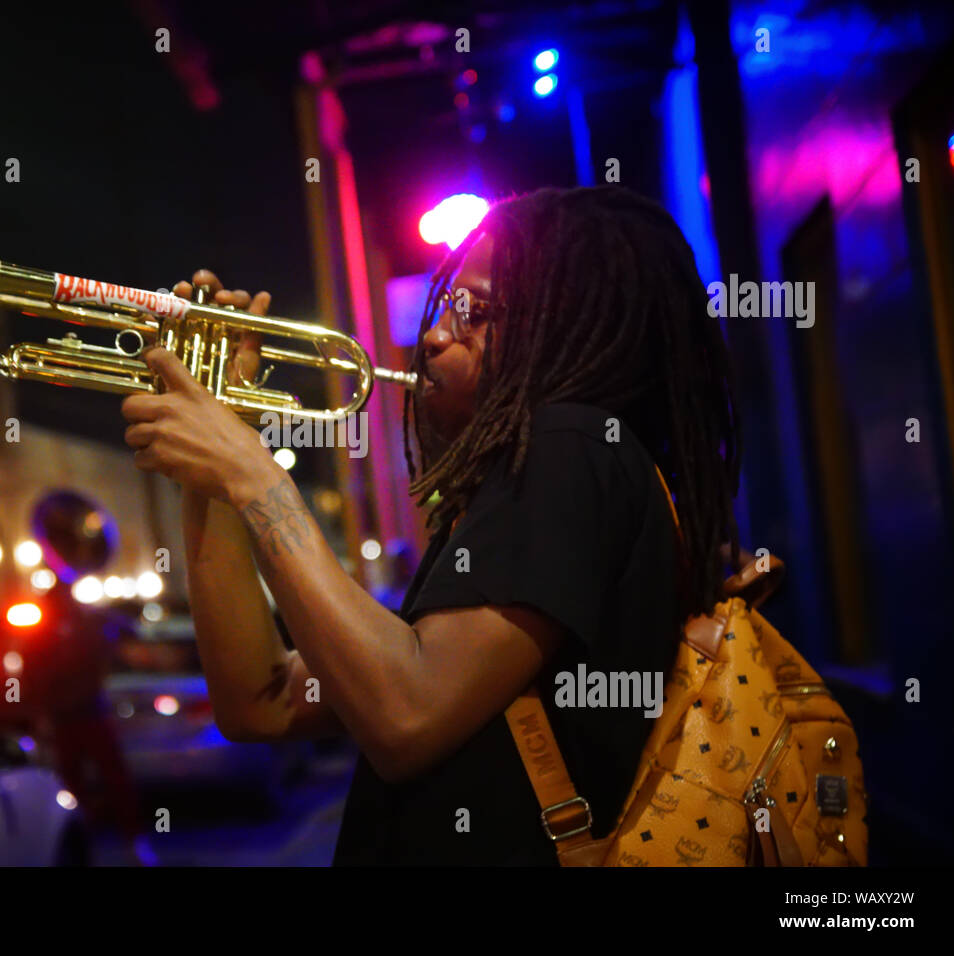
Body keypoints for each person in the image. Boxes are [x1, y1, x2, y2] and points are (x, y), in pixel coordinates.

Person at [119, 185, 740, 865]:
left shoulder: (576, 446)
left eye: (476, 313)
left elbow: (406, 714)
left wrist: (253, 474)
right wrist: (215, 453)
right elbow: (257, 702)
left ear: (566, 323)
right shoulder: (546, 472)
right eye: (446, 305)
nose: (437, 334)